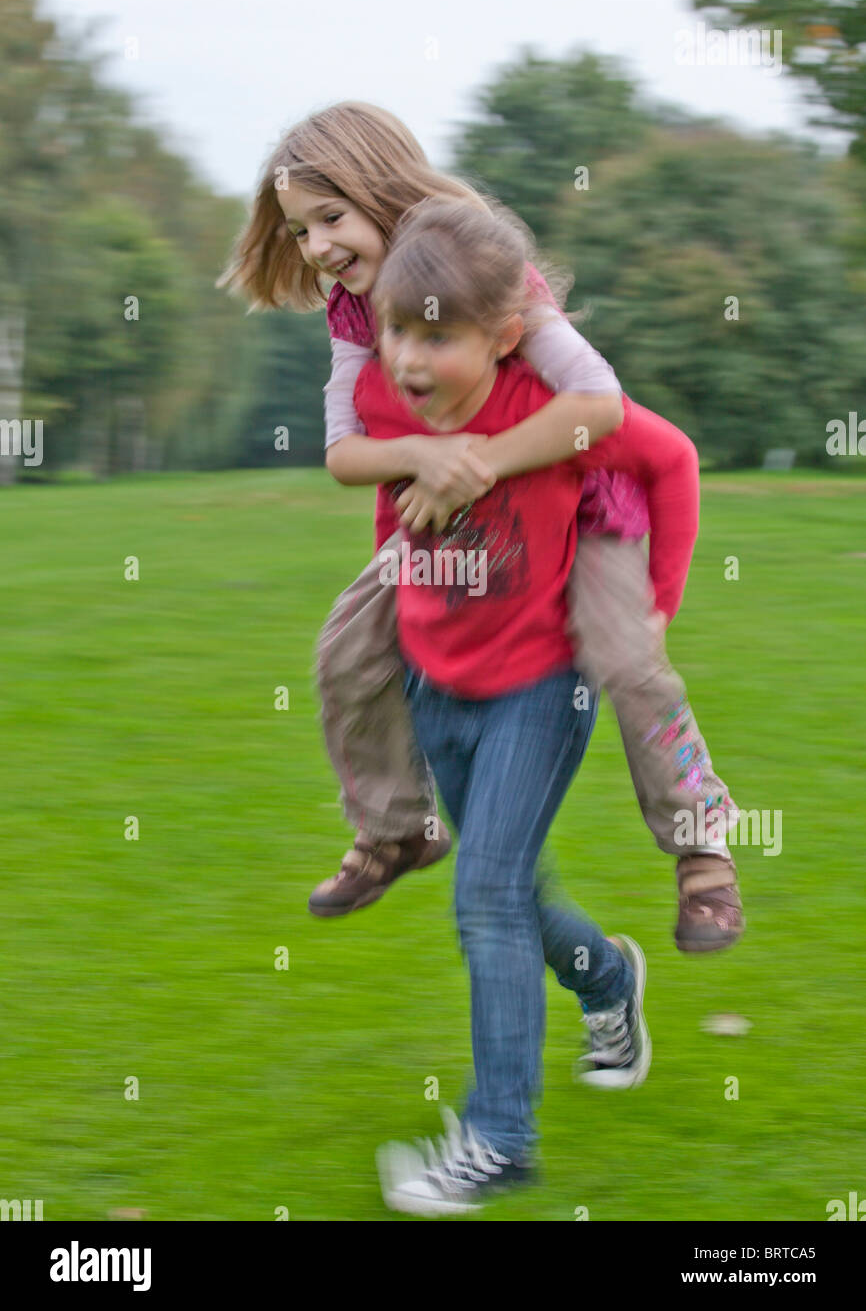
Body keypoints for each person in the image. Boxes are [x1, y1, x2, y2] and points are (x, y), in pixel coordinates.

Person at [218, 100, 743, 952]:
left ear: (380, 192)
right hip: (463, 525)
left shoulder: (498, 285)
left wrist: (481, 459)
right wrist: (427, 466)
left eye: (329, 218)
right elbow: (348, 454)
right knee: (347, 650)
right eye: (299, 230)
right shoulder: (352, 314)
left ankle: (702, 846)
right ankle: (397, 827)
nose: (315, 248)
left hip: (584, 503)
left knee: (626, 660)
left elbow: (602, 409)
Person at [357, 198, 687, 1213]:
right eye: (396, 328)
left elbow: (667, 460)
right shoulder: (387, 400)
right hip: (436, 682)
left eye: (437, 334)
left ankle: (498, 1138)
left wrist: (655, 611)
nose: (409, 357)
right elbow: (383, 501)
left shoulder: (551, 410)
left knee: (484, 894)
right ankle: (603, 982)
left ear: (503, 334)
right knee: (516, 890)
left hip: (542, 685)